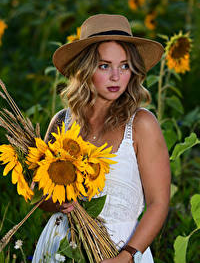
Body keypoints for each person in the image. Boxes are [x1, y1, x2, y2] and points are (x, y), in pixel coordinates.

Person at [32, 14, 171, 263]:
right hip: (60, 244)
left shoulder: (141, 124)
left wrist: (127, 256)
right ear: (85, 69)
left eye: (125, 65)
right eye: (104, 65)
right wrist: (58, 202)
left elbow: (159, 203)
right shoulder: (62, 122)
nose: (116, 76)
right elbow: (39, 197)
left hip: (122, 249)